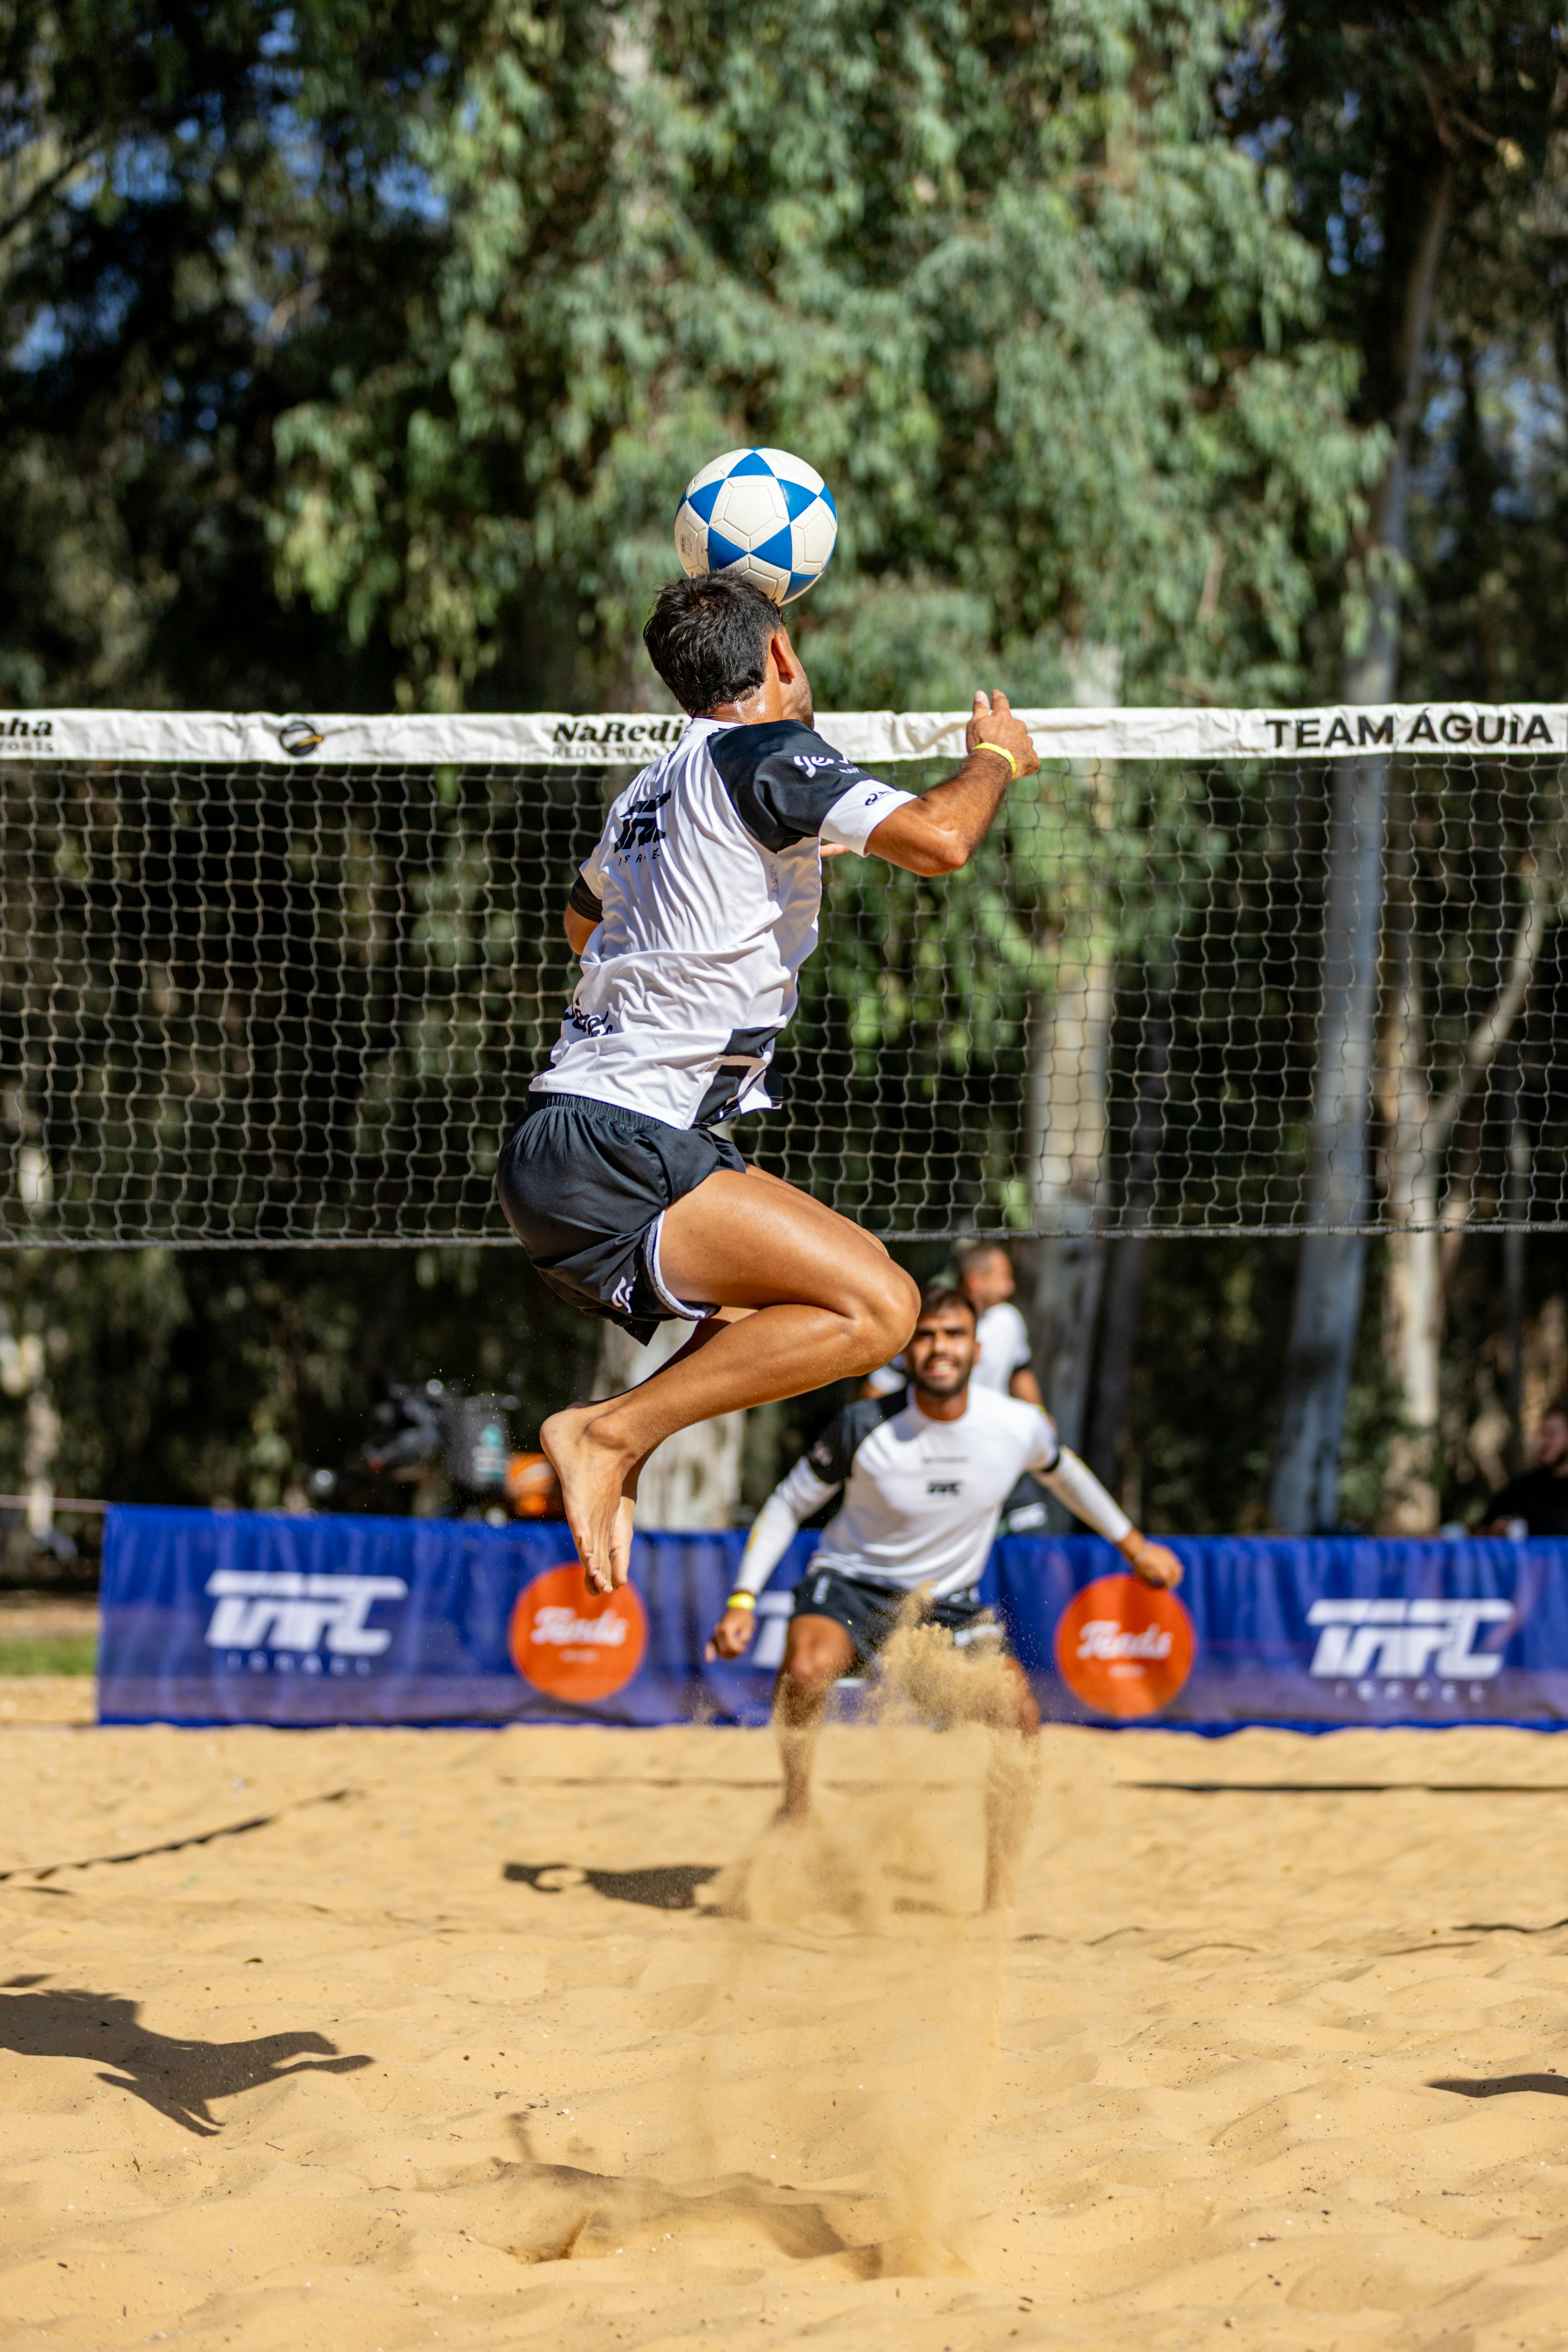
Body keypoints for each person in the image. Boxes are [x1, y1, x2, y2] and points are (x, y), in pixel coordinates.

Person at [495, 571, 1041, 1593]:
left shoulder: (650, 788)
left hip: (573, 1137)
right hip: (623, 1138)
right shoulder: (760, 751)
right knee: (880, 1308)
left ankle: (624, 1440)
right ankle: (607, 1432)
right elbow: (942, 840)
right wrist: (993, 760)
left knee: (769, 1315)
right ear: (780, 657)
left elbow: (580, 922)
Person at [707, 1284, 1183, 1909]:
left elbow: (1064, 1473)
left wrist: (1134, 1544)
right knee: (804, 1668)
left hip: (947, 1602)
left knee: (1017, 1715)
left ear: (976, 1348)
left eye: (953, 1334)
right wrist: (743, 1599)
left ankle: (998, 1901)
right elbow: (787, 1504)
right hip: (851, 1582)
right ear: (905, 1349)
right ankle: (796, 1804)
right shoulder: (864, 1424)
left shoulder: (1014, 1425)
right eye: (926, 1334)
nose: (939, 1347)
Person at [1480, 1404, 1568, 1535]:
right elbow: (1480, 1531)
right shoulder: (1523, 1488)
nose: (1542, 1443)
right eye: (1541, 1435)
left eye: (1551, 1435)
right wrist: (1497, 1530)